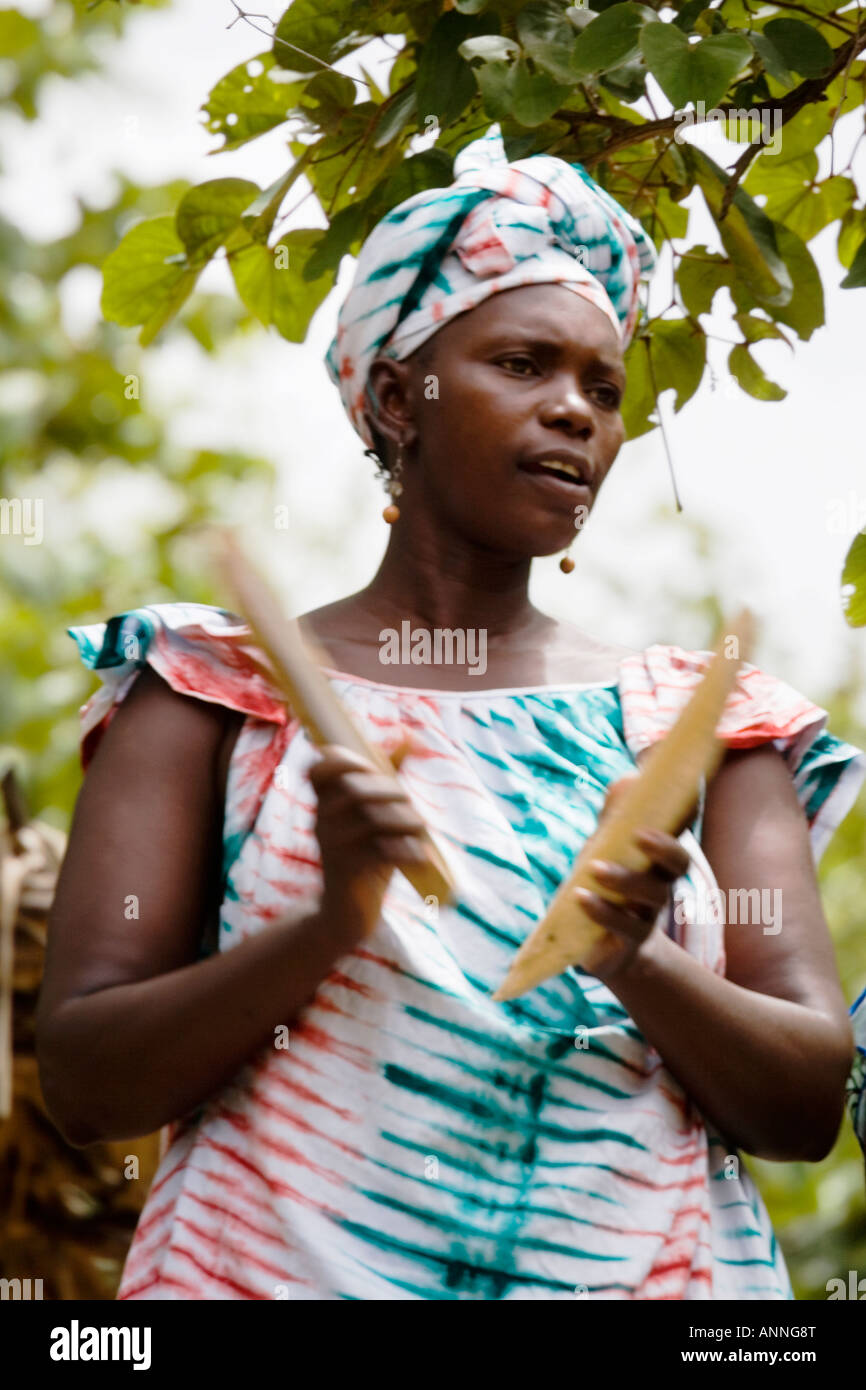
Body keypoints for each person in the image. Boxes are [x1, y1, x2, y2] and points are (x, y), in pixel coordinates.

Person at [37, 124, 866, 1301]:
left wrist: (629, 953)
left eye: (603, 388)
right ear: (396, 395)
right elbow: (86, 1080)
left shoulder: (707, 726)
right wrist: (330, 920)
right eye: (524, 364)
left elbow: (800, 1106)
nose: (576, 412)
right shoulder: (213, 689)